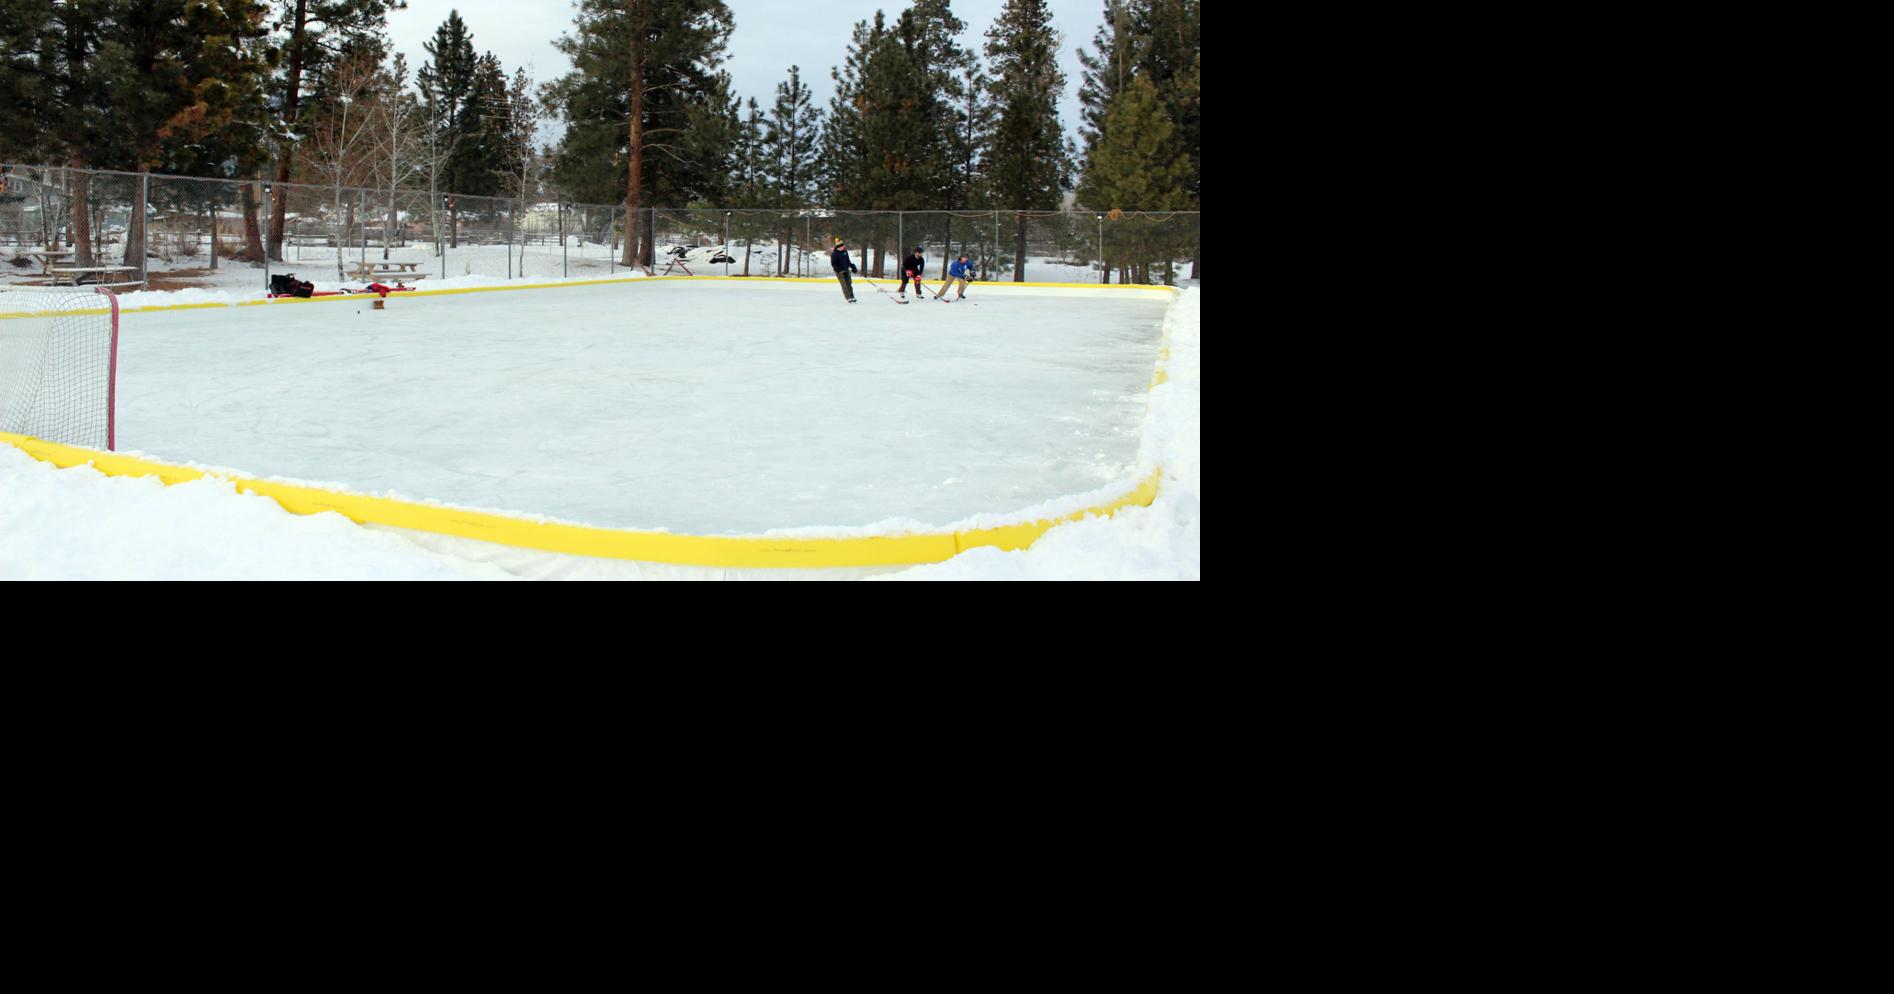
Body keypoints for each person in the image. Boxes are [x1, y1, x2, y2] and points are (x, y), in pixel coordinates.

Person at [830, 237, 858, 303]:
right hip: (839, 272)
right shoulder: (834, 254)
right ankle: (848, 298)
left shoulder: (845, 252)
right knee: (844, 284)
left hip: (846, 270)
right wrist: (840, 271)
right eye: (842, 246)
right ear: (839, 247)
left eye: (843, 245)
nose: (844, 246)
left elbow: (848, 261)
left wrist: (852, 266)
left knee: (849, 284)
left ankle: (852, 297)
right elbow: (834, 265)